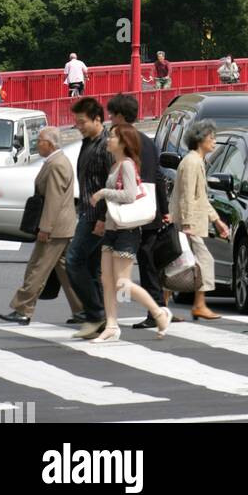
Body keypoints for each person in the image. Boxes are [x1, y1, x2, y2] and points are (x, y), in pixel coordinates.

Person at [87, 123, 171, 342]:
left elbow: (130, 195)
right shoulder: (115, 165)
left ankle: (159, 312)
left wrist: (103, 193)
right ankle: (112, 326)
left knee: (121, 283)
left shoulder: (126, 165)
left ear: (123, 142)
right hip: (112, 228)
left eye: (112, 136)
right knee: (106, 279)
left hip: (127, 231)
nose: (108, 140)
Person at [0, 127, 82, 326]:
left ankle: (23, 309)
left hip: (55, 227)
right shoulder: (55, 162)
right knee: (66, 271)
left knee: (37, 268)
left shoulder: (57, 164)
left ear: (50, 144)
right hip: (62, 226)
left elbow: (54, 199)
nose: (37, 143)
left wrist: (45, 228)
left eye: (40, 140)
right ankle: (84, 309)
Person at [106, 93, 174, 329]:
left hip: (126, 209)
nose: (110, 118)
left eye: (112, 114)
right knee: (147, 260)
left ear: (121, 116)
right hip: (149, 208)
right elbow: (158, 176)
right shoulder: (148, 141)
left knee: (112, 258)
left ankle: (110, 310)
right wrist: (164, 210)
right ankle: (155, 309)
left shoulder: (119, 140)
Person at [168, 119, 230, 320]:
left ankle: (162, 308)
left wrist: (217, 221)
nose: (214, 142)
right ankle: (199, 304)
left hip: (191, 222)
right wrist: (186, 223)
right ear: (200, 140)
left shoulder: (196, 161)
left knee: (177, 265)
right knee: (202, 261)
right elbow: (187, 195)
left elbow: (200, 198)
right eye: (211, 138)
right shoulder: (192, 162)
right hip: (189, 224)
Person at [66, 96, 112, 338]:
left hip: (96, 215)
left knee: (73, 260)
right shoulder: (88, 142)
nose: (79, 126)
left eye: (82, 122)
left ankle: (94, 314)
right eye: (77, 122)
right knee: (92, 267)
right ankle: (100, 318)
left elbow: (111, 183)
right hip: (86, 211)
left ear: (97, 119)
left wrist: (104, 218)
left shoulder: (106, 146)